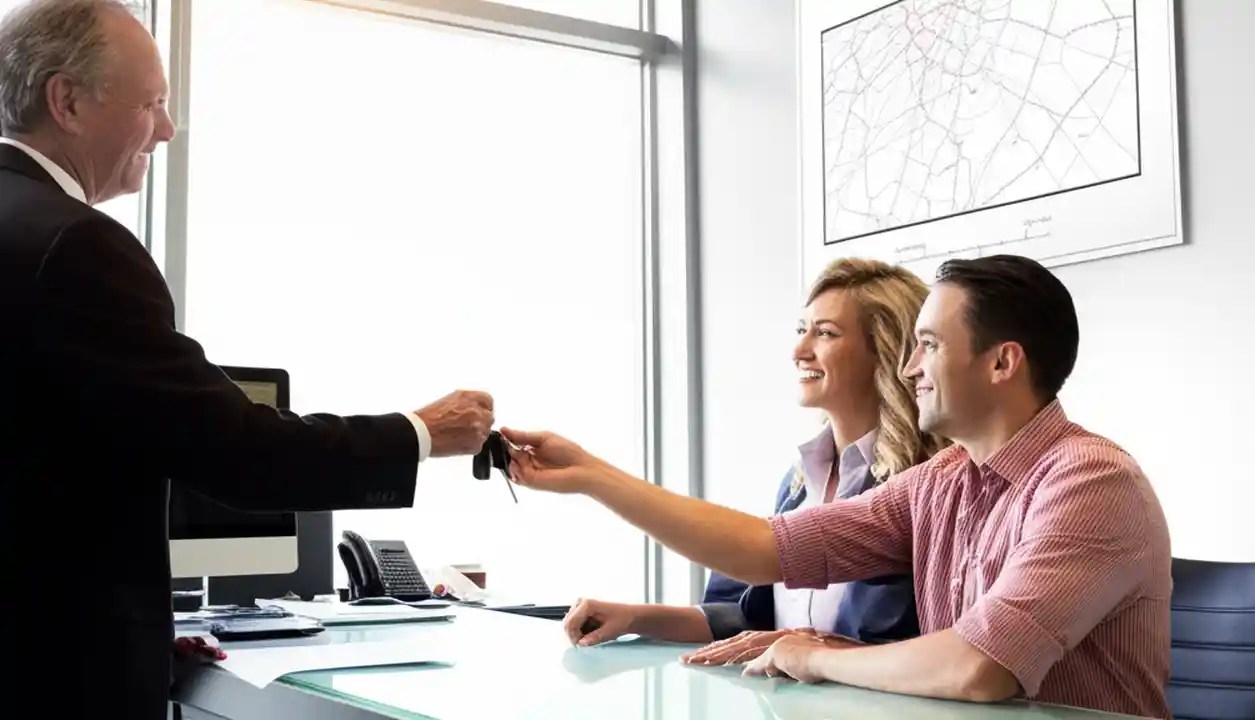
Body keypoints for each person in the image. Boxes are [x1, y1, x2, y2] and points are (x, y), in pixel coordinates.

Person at [0, 2, 494, 717]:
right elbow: (235, 451)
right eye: (154, 103)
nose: (167, 128)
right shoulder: (75, 245)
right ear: (67, 100)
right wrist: (420, 433)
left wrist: (142, 633)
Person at [504, 254, 1173, 719]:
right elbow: (765, 550)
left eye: (930, 346)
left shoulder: (1091, 481)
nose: (911, 369)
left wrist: (814, 657)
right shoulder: (940, 483)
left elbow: (979, 667)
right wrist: (594, 475)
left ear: (1002, 362)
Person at [564, 258, 947, 654]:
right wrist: (636, 617)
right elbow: (747, 618)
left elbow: (922, 647)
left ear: (885, 350)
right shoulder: (799, 481)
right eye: (801, 330)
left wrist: (809, 650)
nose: (799, 350)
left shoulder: (924, 487)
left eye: (826, 334)